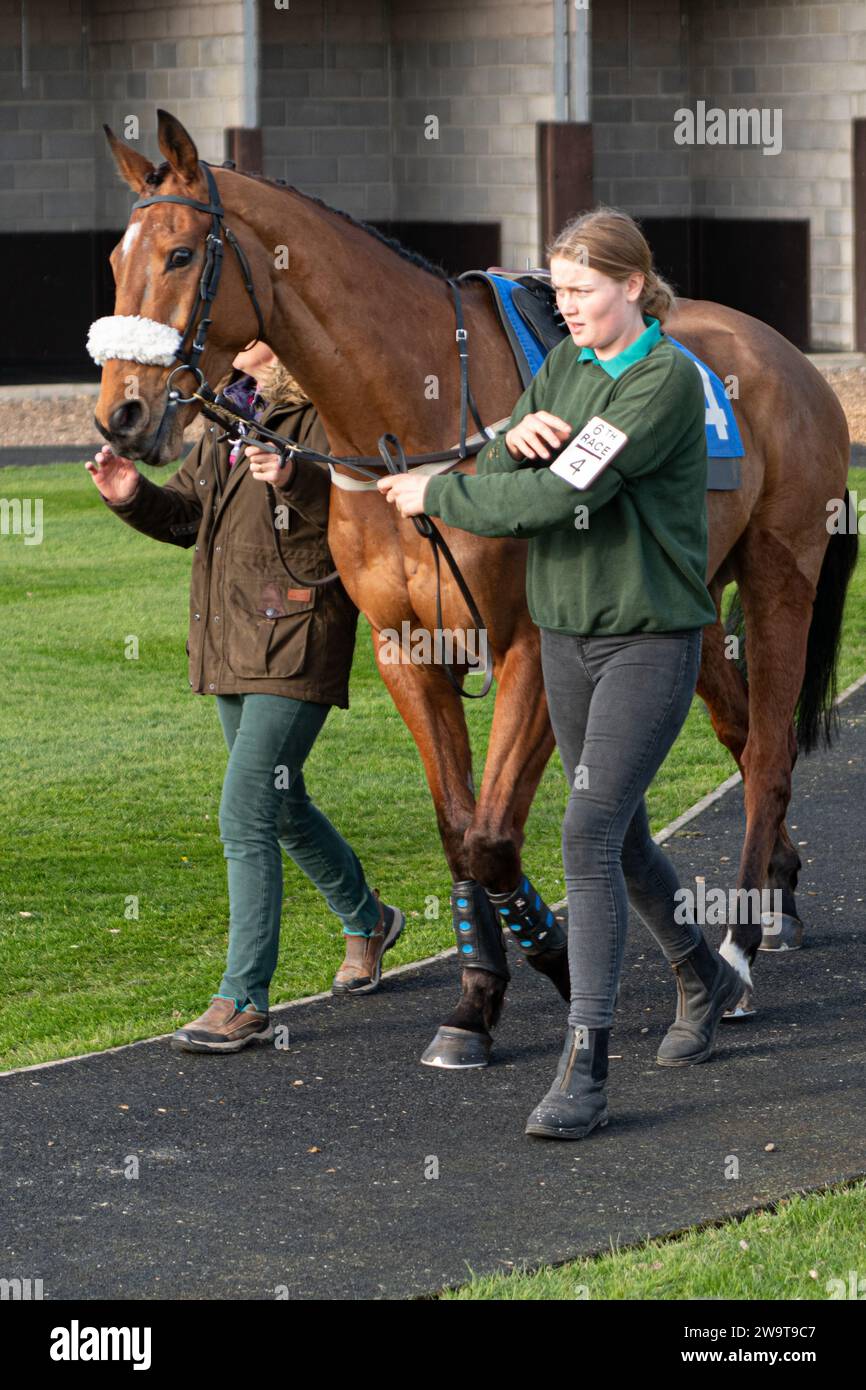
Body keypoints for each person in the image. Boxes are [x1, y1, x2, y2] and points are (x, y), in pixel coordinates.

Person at [379, 207, 745, 1140]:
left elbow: (557, 493)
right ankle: (701, 970)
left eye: (583, 291)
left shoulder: (660, 379)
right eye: (560, 292)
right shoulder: (566, 364)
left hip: (649, 642)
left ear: (633, 285)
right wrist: (511, 434)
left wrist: (437, 489)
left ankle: (585, 1067)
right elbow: (514, 447)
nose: (568, 308)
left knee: (584, 834)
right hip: (565, 640)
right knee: (615, 839)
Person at [88, 343, 405, 1053]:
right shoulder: (231, 411)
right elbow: (188, 519)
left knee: (245, 813)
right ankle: (370, 919)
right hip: (230, 640)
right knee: (282, 805)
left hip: (298, 638)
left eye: (249, 333)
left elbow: (354, 512)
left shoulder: (326, 407)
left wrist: (294, 476)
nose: (233, 342)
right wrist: (130, 495)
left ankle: (242, 1000)